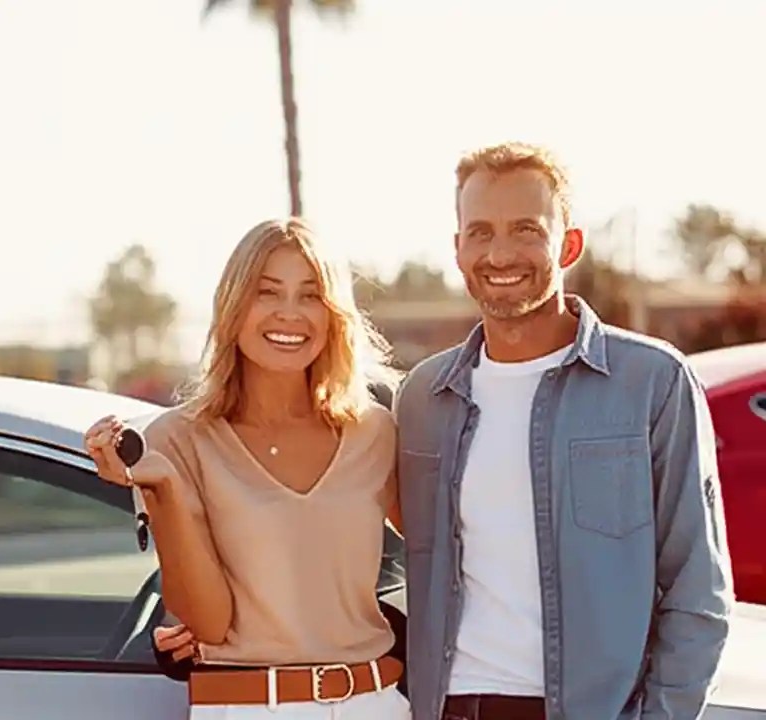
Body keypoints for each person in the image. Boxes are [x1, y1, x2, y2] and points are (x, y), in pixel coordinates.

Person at [154, 142, 735, 720]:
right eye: (480, 232)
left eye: (526, 230)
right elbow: (322, 532)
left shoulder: (651, 383)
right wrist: (193, 620)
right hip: (444, 708)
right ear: (458, 250)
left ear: (569, 245)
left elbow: (697, 593)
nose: (500, 252)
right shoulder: (425, 400)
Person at [84, 218, 412, 718]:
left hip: (374, 704)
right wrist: (166, 488)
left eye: (310, 295)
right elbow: (208, 625)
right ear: (234, 306)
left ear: (333, 316)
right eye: (267, 292)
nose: (290, 313)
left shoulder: (376, 433)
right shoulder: (174, 442)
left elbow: (445, 567)